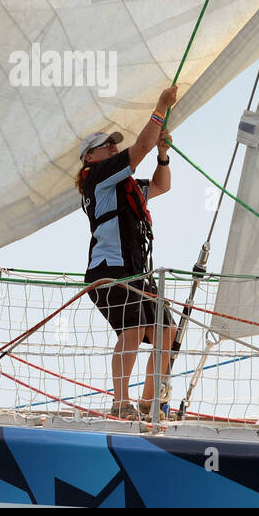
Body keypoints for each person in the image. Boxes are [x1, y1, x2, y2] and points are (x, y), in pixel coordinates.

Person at [76, 84, 178, 421]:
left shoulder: (126, 188)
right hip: (110, 271)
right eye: (107, 146)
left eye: (114, 145)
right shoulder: (99, 178)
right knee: (132, 329)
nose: (114, 148)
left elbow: (162, 186)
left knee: (167, 331)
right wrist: (161, 105)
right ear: (90, 157)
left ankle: (148, 403)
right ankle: (121, 402)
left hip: (136, 274)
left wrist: (163, 156)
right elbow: (142, 146)